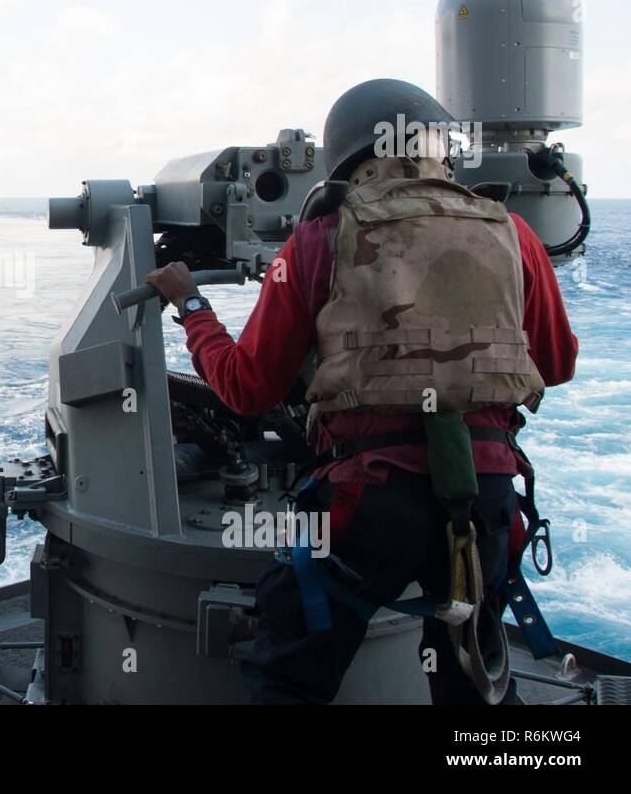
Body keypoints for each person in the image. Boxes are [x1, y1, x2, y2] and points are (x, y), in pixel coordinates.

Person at [145, 79, 578, 704]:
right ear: (444, 153)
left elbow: (246, 386)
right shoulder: (515, 235)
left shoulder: (319, 241)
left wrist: (191, 305)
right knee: (474, 686)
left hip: (369, 504)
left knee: (289, 676)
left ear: (345, 166)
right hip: (484, 500)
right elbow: (556, 362)